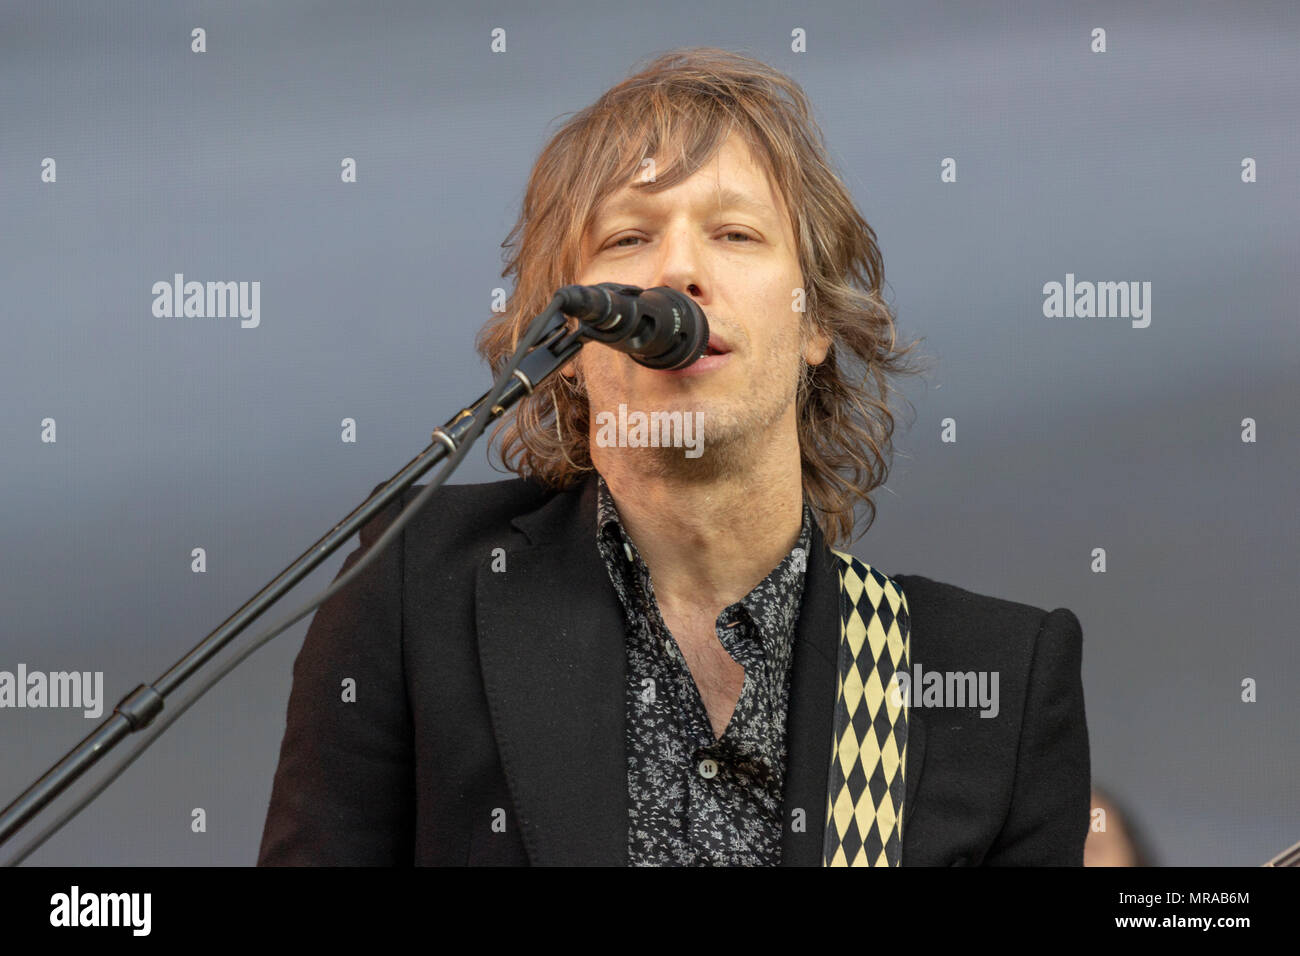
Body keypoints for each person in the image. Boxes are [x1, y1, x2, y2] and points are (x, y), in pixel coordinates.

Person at [257, 47, 1090, 866]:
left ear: (814, 325)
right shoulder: (416, 579)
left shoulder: (997, 676)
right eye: (627, 238)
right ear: (569, 340)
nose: (679, 270)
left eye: (735, 232)